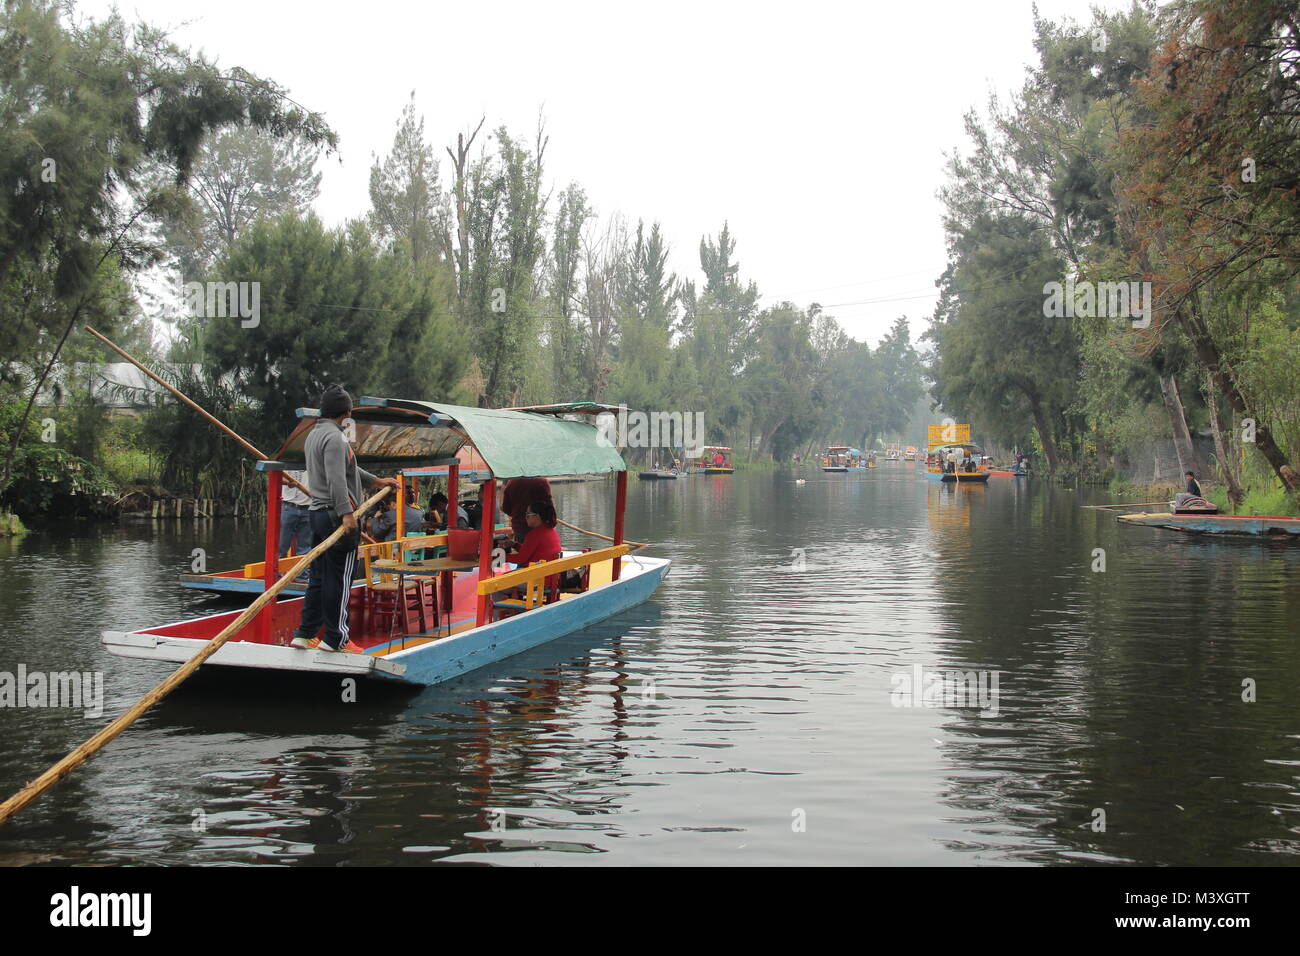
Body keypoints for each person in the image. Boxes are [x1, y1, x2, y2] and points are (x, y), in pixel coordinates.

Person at [289, 385, 399, 652]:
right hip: (335, 517)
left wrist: (376, 481)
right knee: (339, 578)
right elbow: (337, 480)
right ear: (346, 413)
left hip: (316, 515)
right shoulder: (336, 439)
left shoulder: (315, 435)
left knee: (318, 576)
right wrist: (347, 515)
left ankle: (305, 633)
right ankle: (336, 637)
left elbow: (348, 468)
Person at [500, 476, 553, 541]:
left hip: (520, 529)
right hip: (540, 529)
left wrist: (518, 514)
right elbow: (550, 508)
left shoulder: (512, 483)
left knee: (523, 549)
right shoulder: (542, 482)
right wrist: (552, 524)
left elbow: (506, 508)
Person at [278, 469, 311, 558]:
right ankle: (279, 571)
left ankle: (303, 572)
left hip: (308, 507)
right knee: (281, 546)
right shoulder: (287, 459)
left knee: (305, 549)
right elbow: (277, 476)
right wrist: (287, 482)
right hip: (289, 506)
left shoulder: (313, 459)